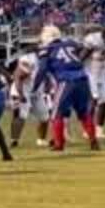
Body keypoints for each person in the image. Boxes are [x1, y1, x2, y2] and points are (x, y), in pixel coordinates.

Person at [35, 25, 100, 153]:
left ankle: (59, 143)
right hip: (82, 78)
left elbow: (42, 69)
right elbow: (84, 49)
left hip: (66, 81)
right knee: (83, 113)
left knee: (56, 114)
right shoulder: (71, 43)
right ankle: (93, 140)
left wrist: (35, 86)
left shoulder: (46, 49)